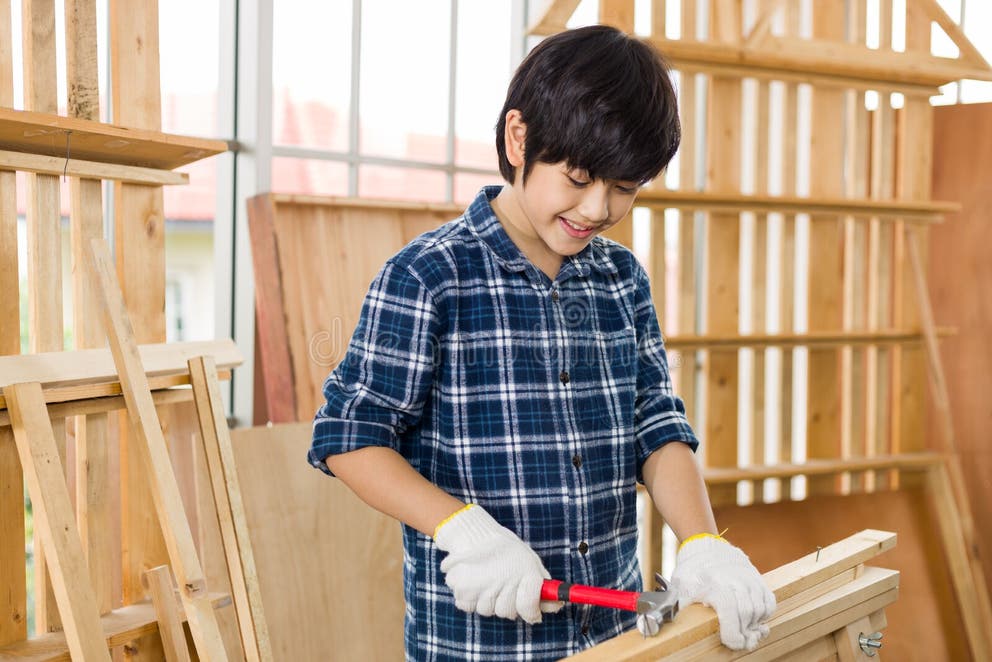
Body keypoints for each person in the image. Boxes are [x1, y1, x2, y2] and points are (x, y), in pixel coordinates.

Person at [308, 24, 775, 661]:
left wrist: (702, 544)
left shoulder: (621, 279)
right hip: (478, 647)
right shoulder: (428, 277)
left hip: (615, 637)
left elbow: (655, 424)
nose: (598, 208)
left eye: (625, 188)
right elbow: (349, 437)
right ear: (518, 138)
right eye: (579, 177)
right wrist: (460, 527)